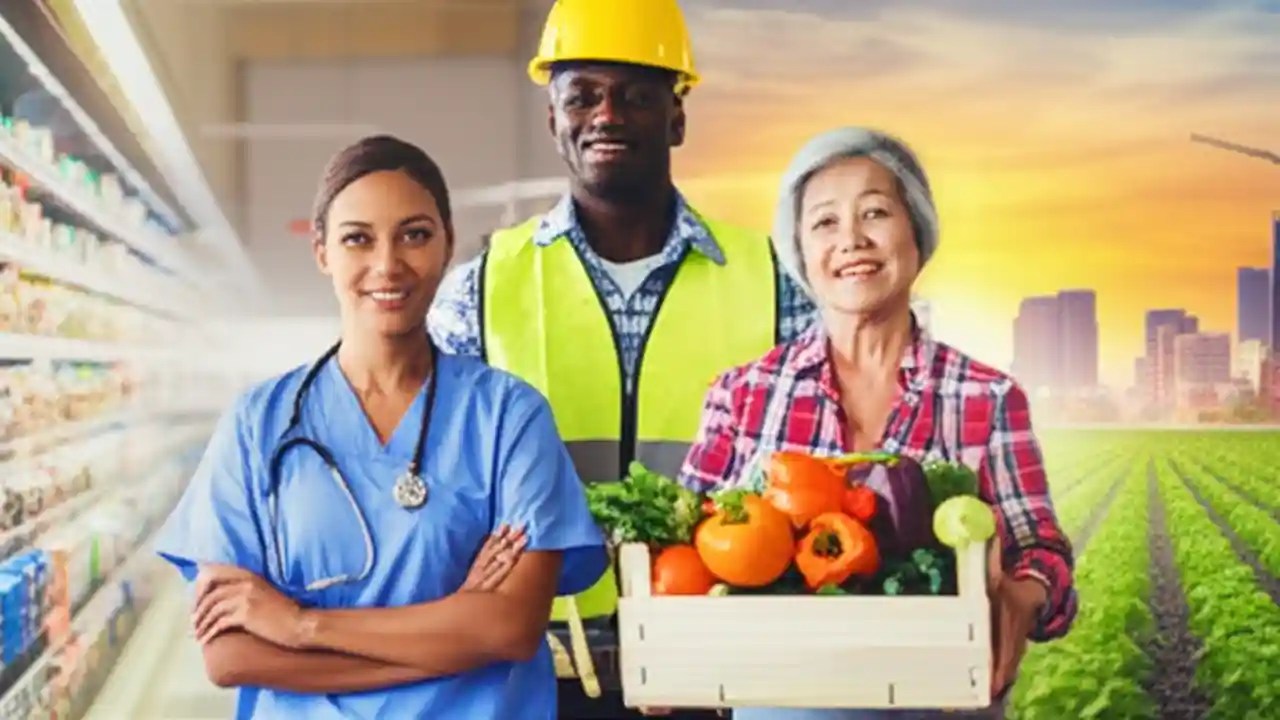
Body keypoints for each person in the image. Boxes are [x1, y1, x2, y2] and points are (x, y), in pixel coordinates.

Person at [428, 1, 817, 717]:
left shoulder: (773, 280)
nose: (607, 114)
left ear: (677, 118)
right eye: (582, 95)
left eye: (636, 95)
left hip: (719, 659)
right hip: (535, 662)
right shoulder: (481, 289)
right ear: (554, 119)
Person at [152, 135, 609, 720]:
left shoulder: (509, 418)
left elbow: (509, 628)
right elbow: (230, 654)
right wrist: (454, 633)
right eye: (357, 239)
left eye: (415, 234)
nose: (387, 264)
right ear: (322, 252)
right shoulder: (256, 426)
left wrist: (298, 624)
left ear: (447, 245)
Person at [677, 127, 1078, 720]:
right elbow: (682, 548)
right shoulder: (743, 394)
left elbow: (1044, 549)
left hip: (941, 704)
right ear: (801, 255)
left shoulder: (988, 397)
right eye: (824, 223)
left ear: (917, 234)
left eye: (875, 213)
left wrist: (1026, 593)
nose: (852, 240)